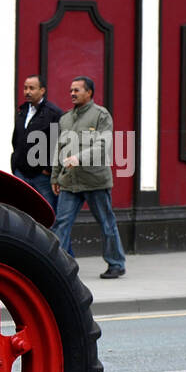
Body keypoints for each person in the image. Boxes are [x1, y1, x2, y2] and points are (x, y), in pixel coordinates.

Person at [51, 76, 125, 279]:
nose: (72, 94)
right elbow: (59, 148)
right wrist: (55, 177)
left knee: (106, 222)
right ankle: (56, 265)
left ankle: (116, 263)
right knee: (62, 223)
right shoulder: (65, 118)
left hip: (95, 180)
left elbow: (103, 146)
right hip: (70, 181)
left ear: (89, 92)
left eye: (77, 90)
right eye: (71, 91)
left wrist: (78, 158)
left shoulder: (101, 115)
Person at [10, 73, 63, 211]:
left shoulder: (53, 113)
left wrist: (49, 169)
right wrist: (15, 163)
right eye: (25, 88)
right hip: (21, 172)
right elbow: (17, 139)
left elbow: (58, 143)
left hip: (42, 175)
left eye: (32, 88)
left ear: (42, 90)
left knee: (47, 213)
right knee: (21, 211)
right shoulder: (22, 111)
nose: (27, 92)